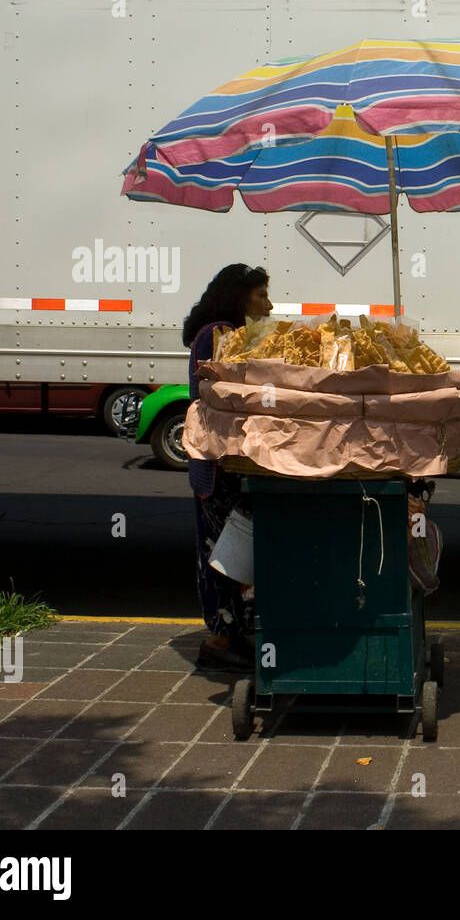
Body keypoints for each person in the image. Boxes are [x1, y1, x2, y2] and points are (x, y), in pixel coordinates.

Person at [182, 264, 273, 673]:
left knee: (235, 545)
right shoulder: (216, 335)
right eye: (261, 296)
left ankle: (234, 629)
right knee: (220, 550)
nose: (269, 305)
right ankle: (219, 638)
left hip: (230, 457)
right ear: (238, 296)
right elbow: (220, 391)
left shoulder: (225, 332)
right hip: (217, 462)